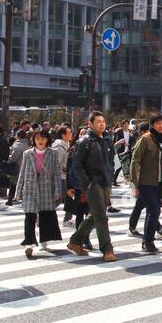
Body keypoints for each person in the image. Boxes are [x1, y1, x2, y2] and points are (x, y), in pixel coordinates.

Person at [67, 111, 118, 261]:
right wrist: (87, 182)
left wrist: (111, 173)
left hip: (106, 181)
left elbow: (112, 160)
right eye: (98, 122)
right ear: (90, 124)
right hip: (93, 183)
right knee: (101, 216)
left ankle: (75, 241)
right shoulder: (85, 141)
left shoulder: (107, 140)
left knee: (95, 214)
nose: (102, 124)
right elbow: (77, 164)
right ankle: (107, 249)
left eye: (103, 121)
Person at [16, 128, 64, 258]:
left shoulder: (52, 153)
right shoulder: (27, 153)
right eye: (37, 138)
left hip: (46, 188)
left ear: (47, 139)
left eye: (43, 138)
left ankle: (44, 239)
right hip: (30, 189)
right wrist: (18, 191)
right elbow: (23, 172)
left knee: (45, 215)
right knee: (30, 216)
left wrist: (58, 191)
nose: (40, 141)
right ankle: (29, 243)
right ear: (33, 140)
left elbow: (56, 173)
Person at [129, 116, 162, 254]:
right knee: (155, 210)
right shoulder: (146, 139)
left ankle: (146, 241)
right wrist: (134, 183)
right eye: (158, 123)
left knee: (151, 212)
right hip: (145, 182)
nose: (161, 126)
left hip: (158, 182)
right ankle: (148, 241)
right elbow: (135, 160)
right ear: (152, 125)